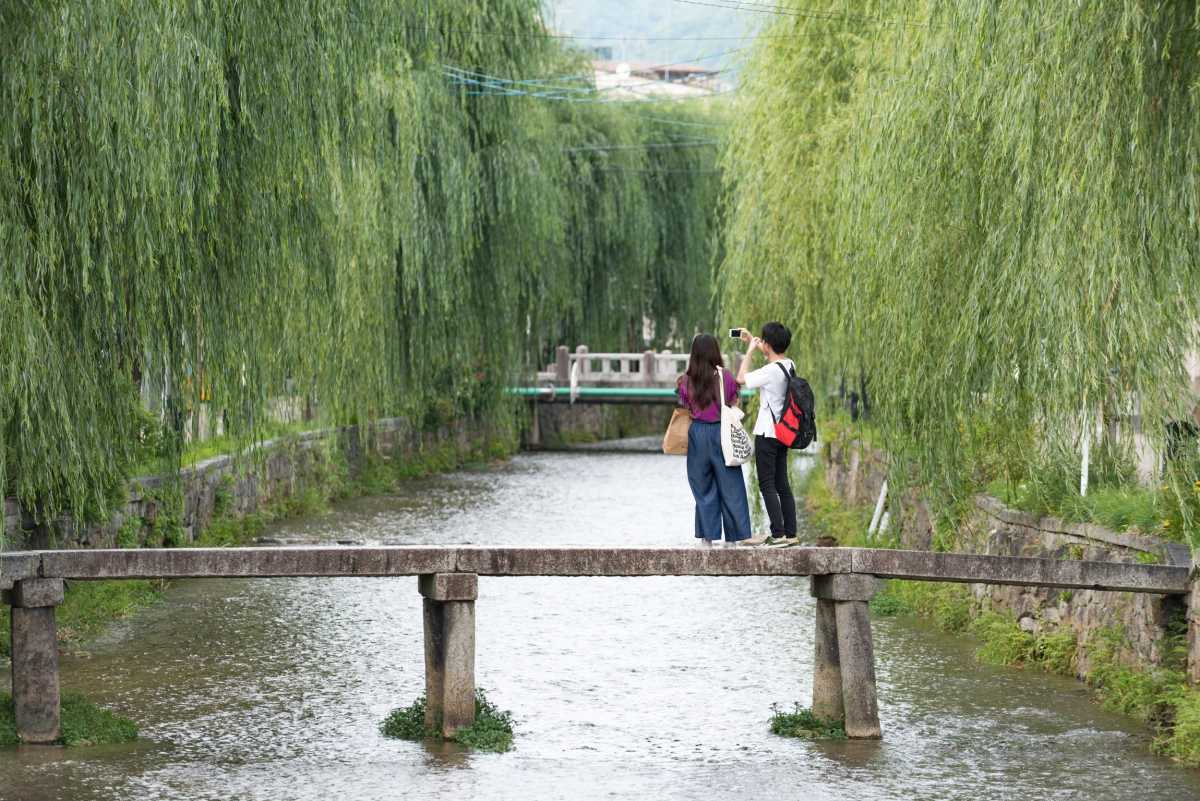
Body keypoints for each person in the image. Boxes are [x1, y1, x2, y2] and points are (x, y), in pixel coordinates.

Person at [676, 333, 753, 546]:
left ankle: (707, 539)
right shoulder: (725, 376)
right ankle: (733, 539)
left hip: (698, 433)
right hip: (721, 433)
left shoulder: (685, 380)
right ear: (715, 351)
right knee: (731, 486)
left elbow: (685, 405)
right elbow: (734, 400)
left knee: (702, 486)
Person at [736, 322, 798, 546]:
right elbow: (772, 359)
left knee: (767, 484)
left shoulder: (770, 371)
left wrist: (750, 350)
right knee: (782, 483)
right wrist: (757, 342)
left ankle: (778, 533)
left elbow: (741, 379)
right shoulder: (789, 365)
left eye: (764, 341)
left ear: (768, 345)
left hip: (767, 433)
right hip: (783, 432)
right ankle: (791, 534)